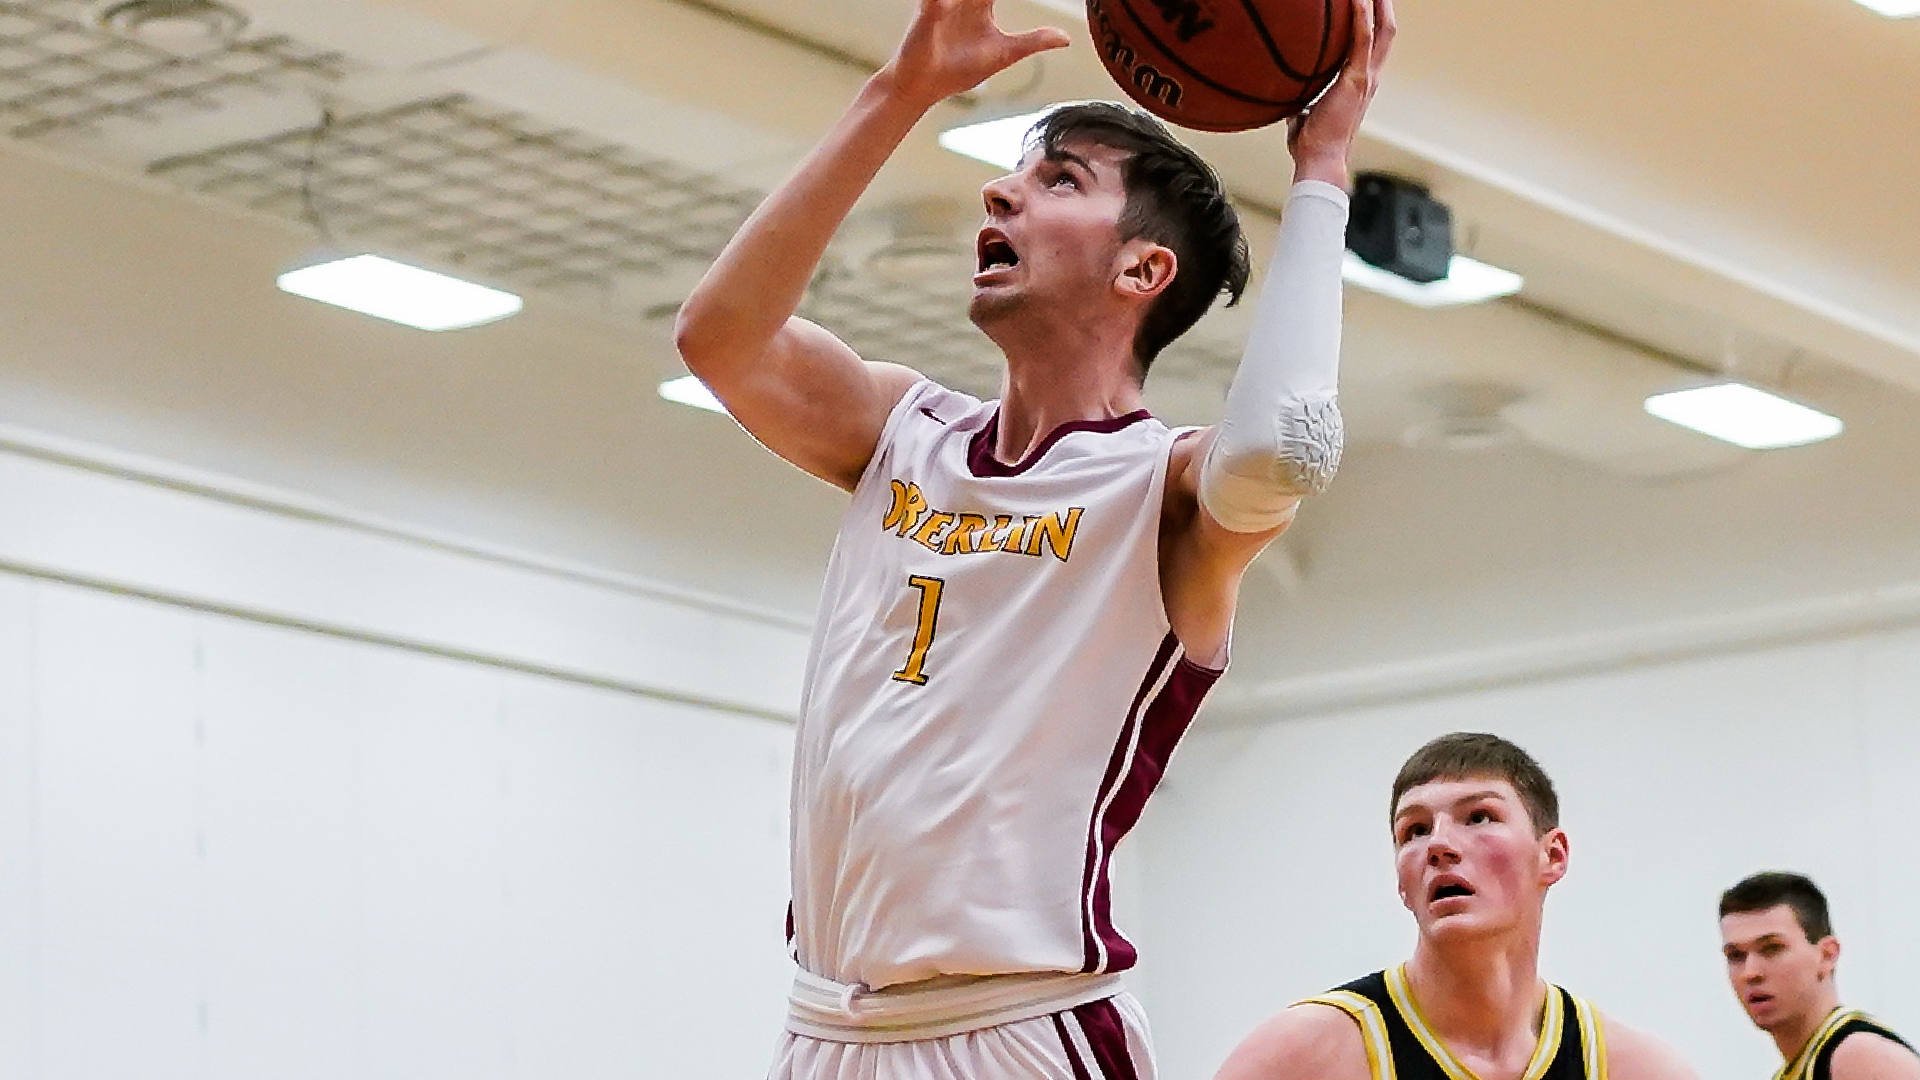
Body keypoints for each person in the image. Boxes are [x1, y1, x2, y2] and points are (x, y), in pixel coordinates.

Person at [672, 0, 1394, 1071]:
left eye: (1060, 181)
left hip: (1019, 1030)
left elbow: (1285, 444)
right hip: (828, 1027)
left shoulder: (1162, 488)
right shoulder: (901, 429)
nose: (1002, 191)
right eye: (1018, 172)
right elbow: (719, 338)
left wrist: (1322, 168)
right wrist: (901, 91)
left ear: (1142, 270)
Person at [1214, 732, 1696, 1080]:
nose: (1439, 845)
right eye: (1415, 830)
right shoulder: (1302, 1054)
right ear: (1402, 883)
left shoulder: (1636, 1067)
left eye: (1479, 816)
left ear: (1552, 855)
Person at [1719, 872, 1919, 1080]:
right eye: (1735, 955)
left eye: (1772, 948)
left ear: (1827, 955)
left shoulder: (1860, 1056)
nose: (1750, 973)